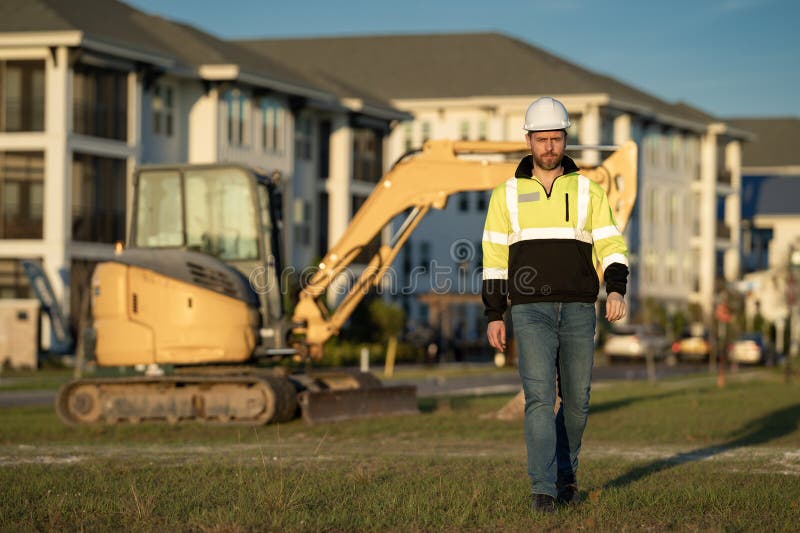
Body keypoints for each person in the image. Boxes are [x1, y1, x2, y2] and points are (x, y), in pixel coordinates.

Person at [481, 96, 629, 512]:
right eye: (541, 138)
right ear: (528, 140)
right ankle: (543, 489)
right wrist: (495, 314)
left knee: (578, 401)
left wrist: (615, 287)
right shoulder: (505, 195)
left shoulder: (588, 190)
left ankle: (566, 474)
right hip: (529, 310)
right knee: (540, 399)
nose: (548, 146)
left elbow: (611, 244)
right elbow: (493, 257)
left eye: (556, 138)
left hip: (580, 309)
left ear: (566, 139)